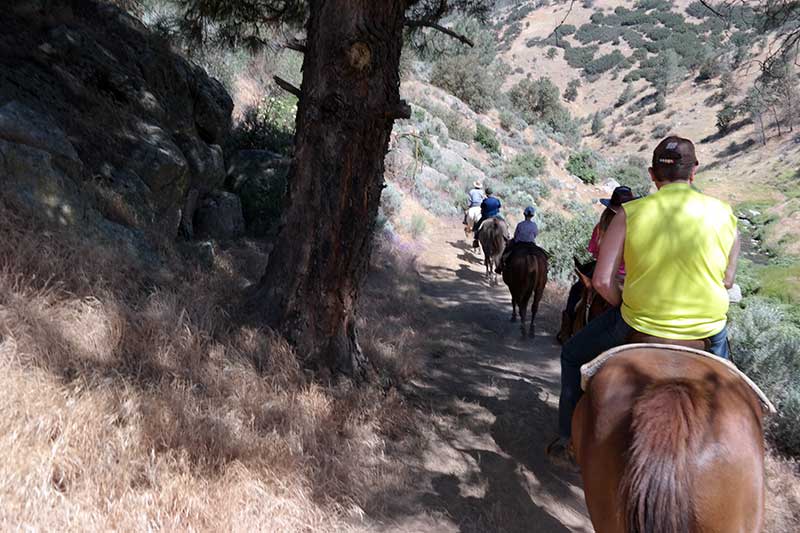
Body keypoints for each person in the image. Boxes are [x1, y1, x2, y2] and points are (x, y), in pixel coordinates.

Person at [548, 136, 740, 462]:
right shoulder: (725, 214)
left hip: (639, 320)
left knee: (571, 355)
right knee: (734, 394)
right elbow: (728, 279)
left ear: (652, 175)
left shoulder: (629, 214)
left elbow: (602, 281)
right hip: (706, 327)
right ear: (694, 171)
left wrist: (624, 300)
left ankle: (567, 438)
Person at [559, 186, 636, 337]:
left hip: (603, 268)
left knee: (576, 291)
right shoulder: (635, 226)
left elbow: (594, 251)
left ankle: (566, 328)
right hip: (631, 273)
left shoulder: (601, 227)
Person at [496, 206, 539, 274]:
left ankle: (500, 267)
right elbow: (535, 234)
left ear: (524, 214)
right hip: (531, 244)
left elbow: (516, 235)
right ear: (532, 216)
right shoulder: (534, 225)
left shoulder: (520, 224)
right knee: (541, 254)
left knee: (506, 253)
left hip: (519, 243)